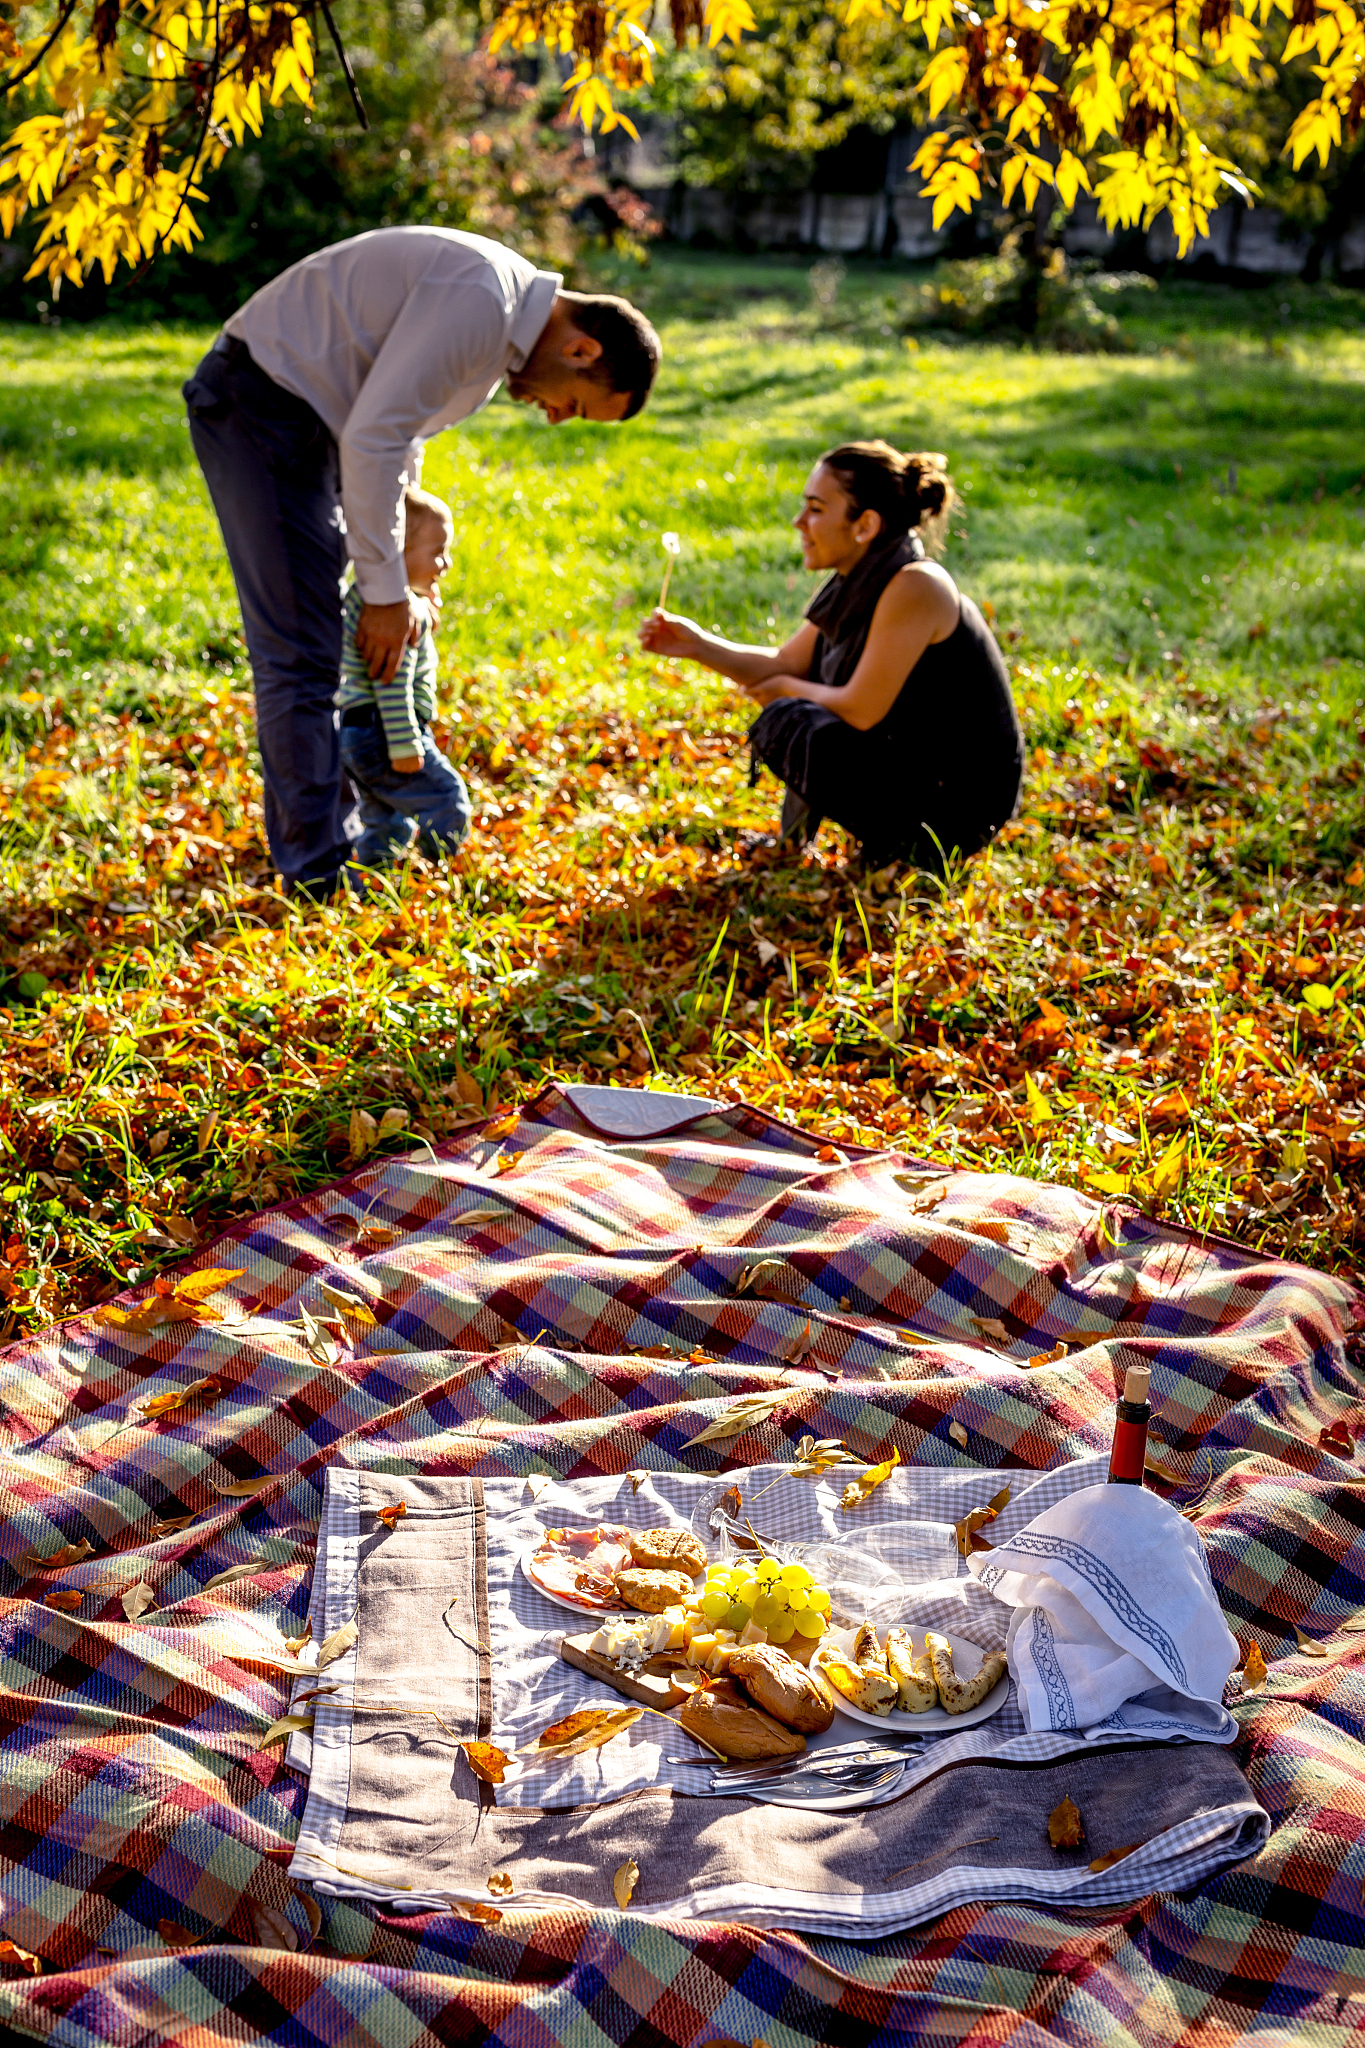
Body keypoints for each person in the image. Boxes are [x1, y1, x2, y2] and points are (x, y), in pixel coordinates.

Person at [184, 226, 662, 898]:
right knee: (301, 651)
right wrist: (384, 594)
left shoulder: (497, 328)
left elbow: (397, 434)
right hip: (263, 404)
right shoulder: (483, 301)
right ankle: (316, 876)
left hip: (308, 419)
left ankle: (340, 842)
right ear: (581, 348)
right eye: (575, 405)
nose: (556, 418)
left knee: (319, 643)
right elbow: (374, 437)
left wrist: (407, 546)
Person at [639, 440, 1023, 870]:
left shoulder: (916, 585)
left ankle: (908, 853)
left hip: (957, 808)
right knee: (795, 715)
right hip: (916, 772)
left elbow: (859, 709)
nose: (799, 522)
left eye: (816, 509)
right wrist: (695, 644)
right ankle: (801, 844)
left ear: (865, 525)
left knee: (794, 718)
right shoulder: (858, 579)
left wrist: (786, 692)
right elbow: (784, 663)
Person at [338, 486, 470, 870]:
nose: (445, 564)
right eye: (438, 552)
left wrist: (423, 605)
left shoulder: (363, 598)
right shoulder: (397, 616)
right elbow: (390, 678)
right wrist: (405, 744)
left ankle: (372, 882)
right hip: (386, 732)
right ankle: (440, 873)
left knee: (386, 820)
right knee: (448, 802)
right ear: (397, 552)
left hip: (355, 732)